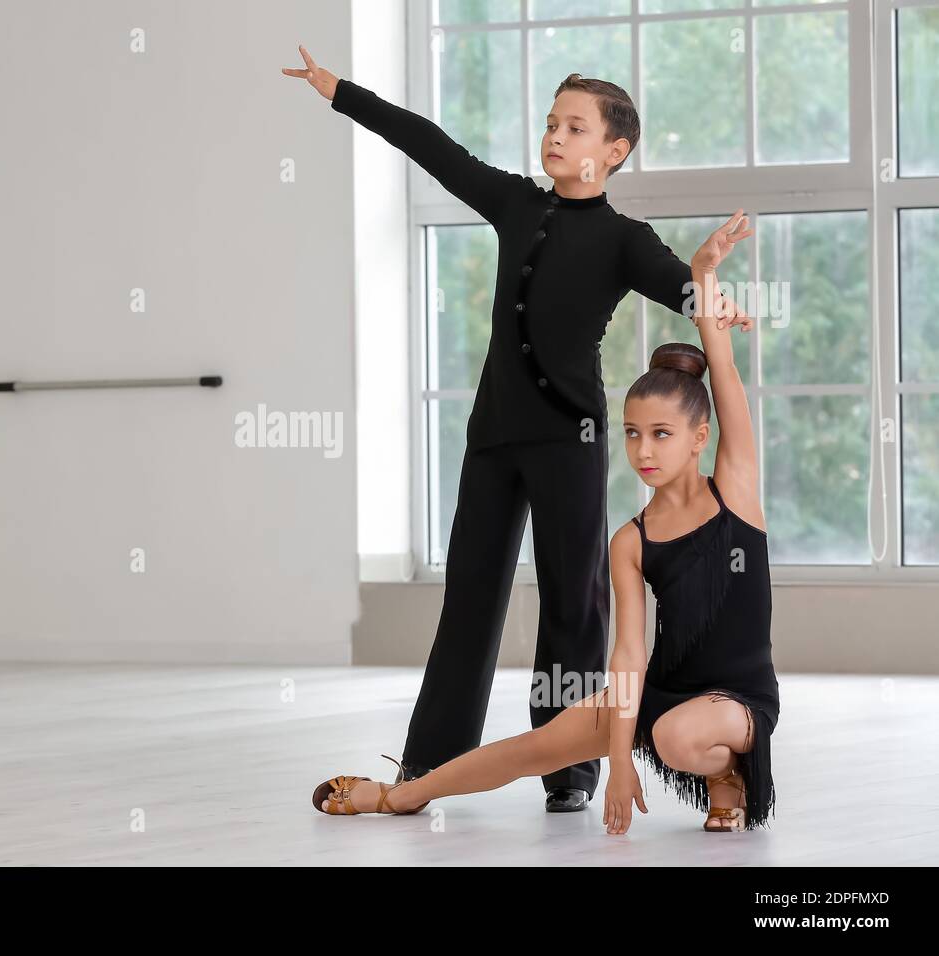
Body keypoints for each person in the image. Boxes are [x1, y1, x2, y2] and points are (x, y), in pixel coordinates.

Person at [284, 46, 753, 811]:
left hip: (570, 442)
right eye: (551, 124)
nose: (556, 137)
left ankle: (570, 771)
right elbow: (430, 145)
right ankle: (427, 764)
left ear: (615, 150)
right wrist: (341, 92)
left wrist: (719, 301)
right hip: (494, 437)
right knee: (469, 598)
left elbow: (683, 288)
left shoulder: (623, 239)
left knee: (573, 602)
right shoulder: (514, 202)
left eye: (575, 127)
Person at [312, 210, 780, 834]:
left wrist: (702, 274)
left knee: (673, 737)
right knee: (535, 747)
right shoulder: (631, 540)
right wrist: (618, 759)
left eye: (662, 434)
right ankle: (400, 795)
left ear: (699, 437)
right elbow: (629, 654)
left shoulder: (736, 494)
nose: (643, 451)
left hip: (736, 702)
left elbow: (723, 371)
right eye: (632, 433)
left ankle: (730, 777)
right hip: (663, 692)